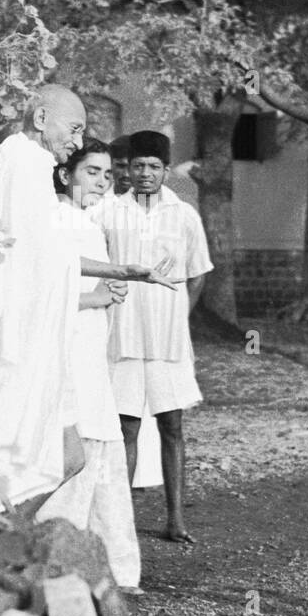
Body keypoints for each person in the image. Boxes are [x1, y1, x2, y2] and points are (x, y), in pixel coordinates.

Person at [0, 87, 174, 515]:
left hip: (41, 335)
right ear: (42, 118)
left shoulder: (27, 162)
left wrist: (121, 271)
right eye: (75, 128)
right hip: (20, 337)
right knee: (42, 454)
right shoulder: (21, 160)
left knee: (67, 457)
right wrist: (99, 289)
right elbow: (21, 256)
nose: (78, 143)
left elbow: (48, 252)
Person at [35, 137, 142, 588]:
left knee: (104, 457)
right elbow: (38, 293)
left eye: (107, 174)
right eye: (91, 172)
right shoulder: (52, 220)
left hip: (90, 351)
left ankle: (115, 570)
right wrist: (94, 296)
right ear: (65, 174)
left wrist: (105, 299)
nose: (102, 181)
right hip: (63, 351)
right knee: (77, 452)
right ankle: (59, 568)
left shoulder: (88, 224)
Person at [97, 129, 212, 544]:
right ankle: (120, 520)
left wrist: (179, 315)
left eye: (154, 167)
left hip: (168, 342)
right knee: (125, 428)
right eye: (138, 166)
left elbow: (198, 274)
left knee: (172, 426)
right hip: (123, 335)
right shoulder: (108, 212)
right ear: (129, 169)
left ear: (165, 170)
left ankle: (176, 518)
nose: (145, 174)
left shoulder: (183, 215)